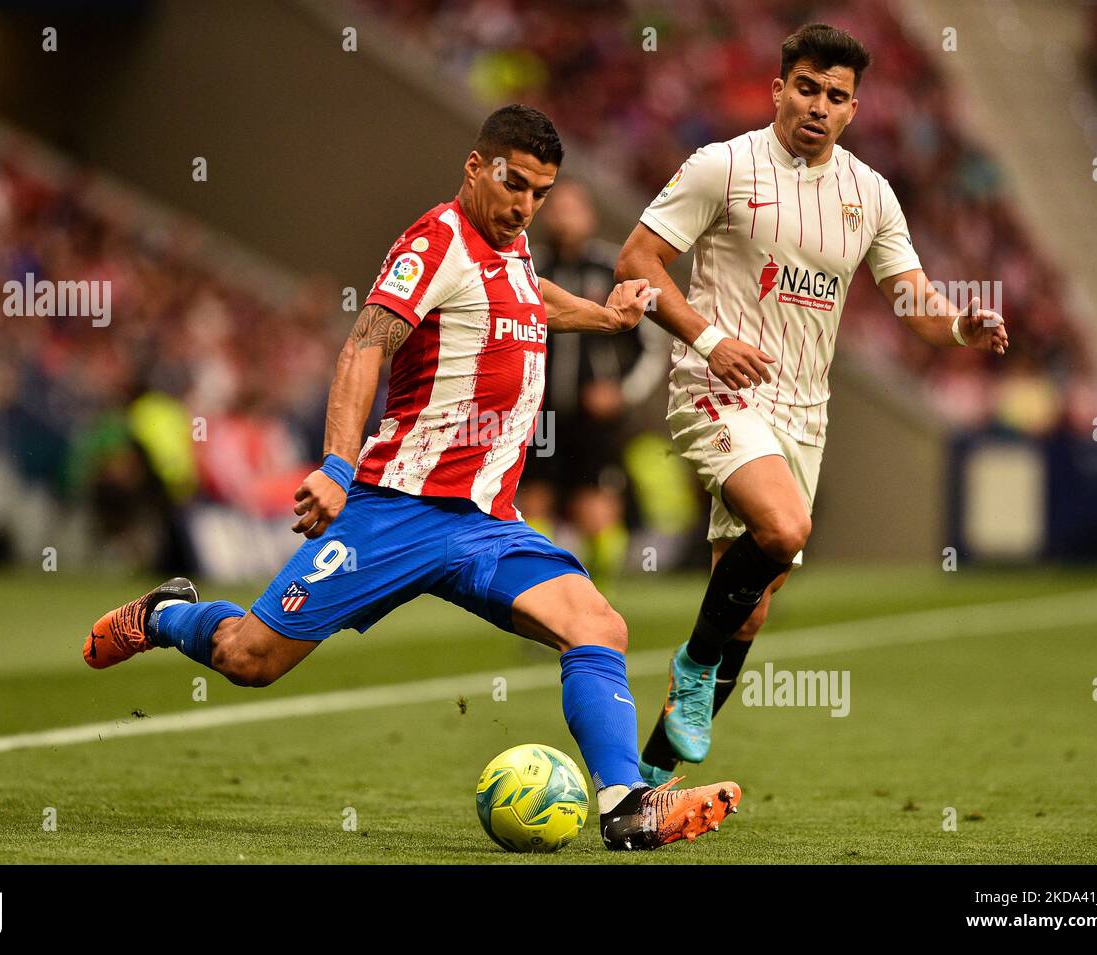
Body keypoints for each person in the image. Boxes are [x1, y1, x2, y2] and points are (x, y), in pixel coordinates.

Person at [82, 104, 741, 851]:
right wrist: (336, 464)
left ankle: (625, 804)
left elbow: (529, 297)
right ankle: (168, 613)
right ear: (475, 167)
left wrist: (604, 318)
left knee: (598, 625)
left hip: (486, 522)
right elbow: (364, 345)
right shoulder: (434, 243)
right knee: (248, 659)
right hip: (394, 510)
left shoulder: (512, 246)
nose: (524, 205)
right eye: (513, 183)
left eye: (540, 193)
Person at [615, 24, 1009, 784]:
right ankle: (693, 668)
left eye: (836, 96)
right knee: (787, 523)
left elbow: (911, 297)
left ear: (854, 108)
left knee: (751, 607)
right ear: (778, 89)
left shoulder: (870, 194)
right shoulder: (720, 166)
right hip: (717, 388)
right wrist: (708, 339)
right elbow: (638, 260)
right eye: (806, 87)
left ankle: (650, 780)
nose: (819, 106)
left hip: (804, 414)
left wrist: (961, 321)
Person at [522, 181, 669, 590]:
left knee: (597, 510)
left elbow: (651, 347)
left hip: (593, 421)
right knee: (534, 502)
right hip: (542, 414)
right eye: (557, 207)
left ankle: (600, 594)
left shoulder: (611, 270)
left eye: (573, 208)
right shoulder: (528, 268)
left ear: (590, 216)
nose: (564, 216)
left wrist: (621, 392)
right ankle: (542, 598)